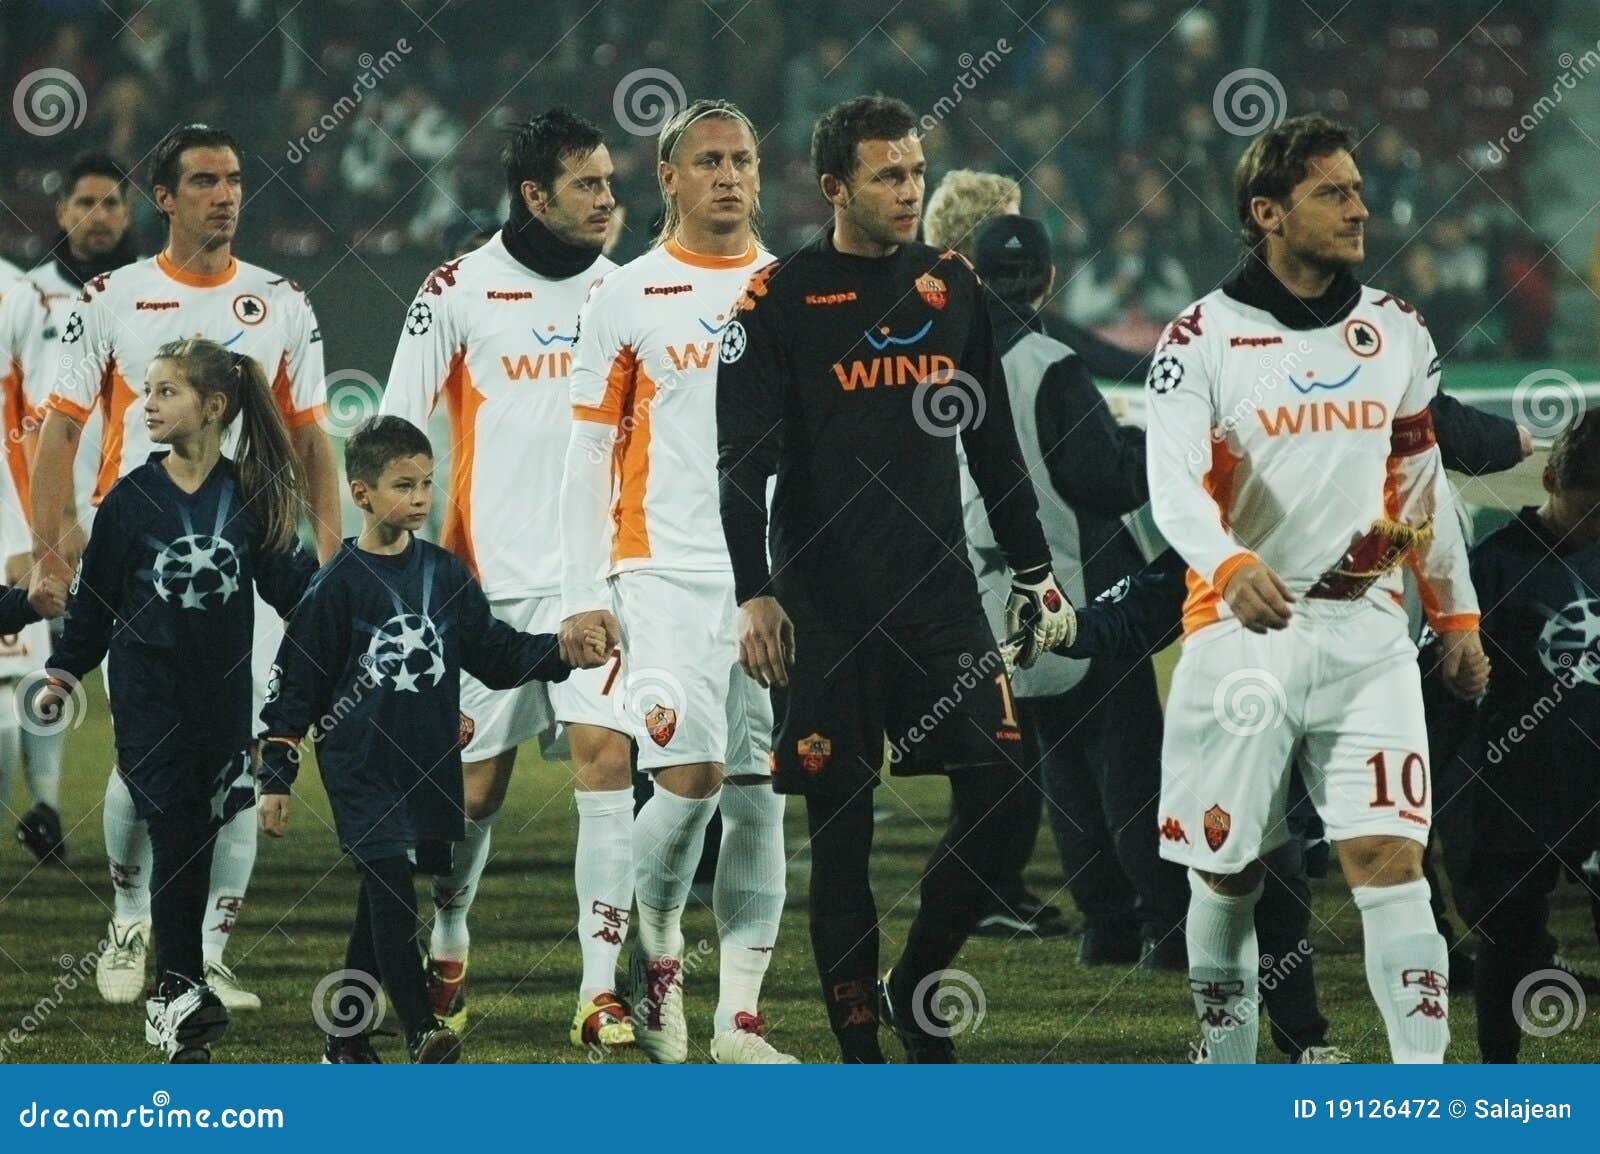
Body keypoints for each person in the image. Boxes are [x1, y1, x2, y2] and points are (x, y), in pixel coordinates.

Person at [716, 95, 1074, 1063]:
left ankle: (916, 984)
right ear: (835, 187)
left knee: (1005, 794)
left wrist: (1035, 570)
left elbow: (994, 447)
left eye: (915, 171)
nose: (909, 190)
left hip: (938, 598)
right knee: (842, 836)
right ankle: (862, 1059)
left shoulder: (949, 285)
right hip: (825, 608)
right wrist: (755, 592)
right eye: (887, 175)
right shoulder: (777, 299)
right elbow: (740, 466)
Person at [1145, 113, 1487, 1064]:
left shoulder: (1396, 329)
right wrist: (1230, 565)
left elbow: (1419, 483)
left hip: (1368, 636)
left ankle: (1421, 1092)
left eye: (1357, 190)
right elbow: (1171, 484)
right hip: (1239, 634)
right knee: (1229, 872)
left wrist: (1455, 613)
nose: (1359, 209)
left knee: (1390, 858)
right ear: (1268, 213)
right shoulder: (1200, 338)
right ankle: (1228, 1068)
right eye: (1332, 193)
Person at [28, 124, 342, 1012]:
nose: (226, 194)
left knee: (237, 765)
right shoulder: (113, 298)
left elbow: (311, 437)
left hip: (249, 564)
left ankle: (206, 953)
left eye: (234, 178)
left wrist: (329, 558)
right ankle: (132, 921)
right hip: (144, 570)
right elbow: (59, 427)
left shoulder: (281, 301)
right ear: (163, 199)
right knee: (143, 768)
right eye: (204, 180)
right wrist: (53, 549)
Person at [379, 108, 625, 1039]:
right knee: (474, 793)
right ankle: (449, 936)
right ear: (534, 195)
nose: (607, 200)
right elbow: (397, 427)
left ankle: (599, 989)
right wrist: (397, 567)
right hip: (489, 586)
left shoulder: (623, 292)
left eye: (610, 182)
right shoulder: (458, 288)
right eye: (587, 185)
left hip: (599, 582)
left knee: (607, 765)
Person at [256, 416, 605, 1064]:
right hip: (361, 767)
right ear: (361, 494)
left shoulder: (444, 575)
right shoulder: (335, 584)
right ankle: (422, 1029)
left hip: (427, 763)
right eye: (403, 485)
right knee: (393, 892)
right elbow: (295, 687)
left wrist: (561, 652)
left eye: (426, 484)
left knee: (379, 904)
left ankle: (344, 1037)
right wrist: (275, 776)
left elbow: (495, 655)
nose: (420, 498)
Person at [560, 98, 793, 1065]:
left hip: (768, 580)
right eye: (709, 161)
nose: (730, 176)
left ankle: (739, 1020)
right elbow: (587, 450)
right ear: (668, 177)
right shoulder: (627, 295)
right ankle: (659, 946)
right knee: (690, 779)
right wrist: (583, 590)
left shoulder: (788, 289)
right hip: (660, 570)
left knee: (759, 788)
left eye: (743, 159)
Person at [36, 339, 316, 1062]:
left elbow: (298, 595)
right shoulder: (129, 500)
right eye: (148, 391)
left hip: (221, 703)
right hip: (148, 699)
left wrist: (353, 617)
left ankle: (179, 985)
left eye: (166, 392)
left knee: (195, 835)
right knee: (179, 831)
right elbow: (95, 607)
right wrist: (63, 673)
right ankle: (177, 996)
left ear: (213, 407)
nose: (147, 405)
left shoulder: (251, 493)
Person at [960, 214, 1186, 960]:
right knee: (1127, 765)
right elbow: (1103, 479)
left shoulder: (942, 364)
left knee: (1063, 768)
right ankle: (1164, 924)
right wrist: (1148, 446)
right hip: (1082, 589)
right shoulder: (1049, 363)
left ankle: (1104, 924)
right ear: (1050, 279)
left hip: (997, 596)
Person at [1429, 414, 1600, 1062]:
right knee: (1508, 936)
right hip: (1513, 791)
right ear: (1551, 480)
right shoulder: (1493, 568)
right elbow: (1447, 695)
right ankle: (1498, 1083)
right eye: (1588, 512)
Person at [0, 152, 136, 864]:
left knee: (130, 676)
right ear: (62, 212)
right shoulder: (27, 298)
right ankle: (45, 808)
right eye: (86, 202)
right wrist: (32, 527)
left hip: (127, 515)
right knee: (32, 662)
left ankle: (132, 829)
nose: (99, 216)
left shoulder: (148, 293)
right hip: (42, 518)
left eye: (112, 203)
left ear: (130, 212)